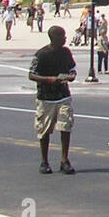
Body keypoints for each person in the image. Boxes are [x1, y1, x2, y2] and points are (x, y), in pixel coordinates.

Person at [29, 26, 77, 174]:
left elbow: (72, 69)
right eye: (62, 36)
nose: (65, 38)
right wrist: (49, 79)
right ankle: (44, 161)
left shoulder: (66, 52)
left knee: (65, 126)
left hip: (63, 95)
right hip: (46, 98)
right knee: (44, 130)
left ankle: (64, 160)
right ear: (54, 38)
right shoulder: (42, 54)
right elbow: (32, 75)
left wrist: (70, 76)